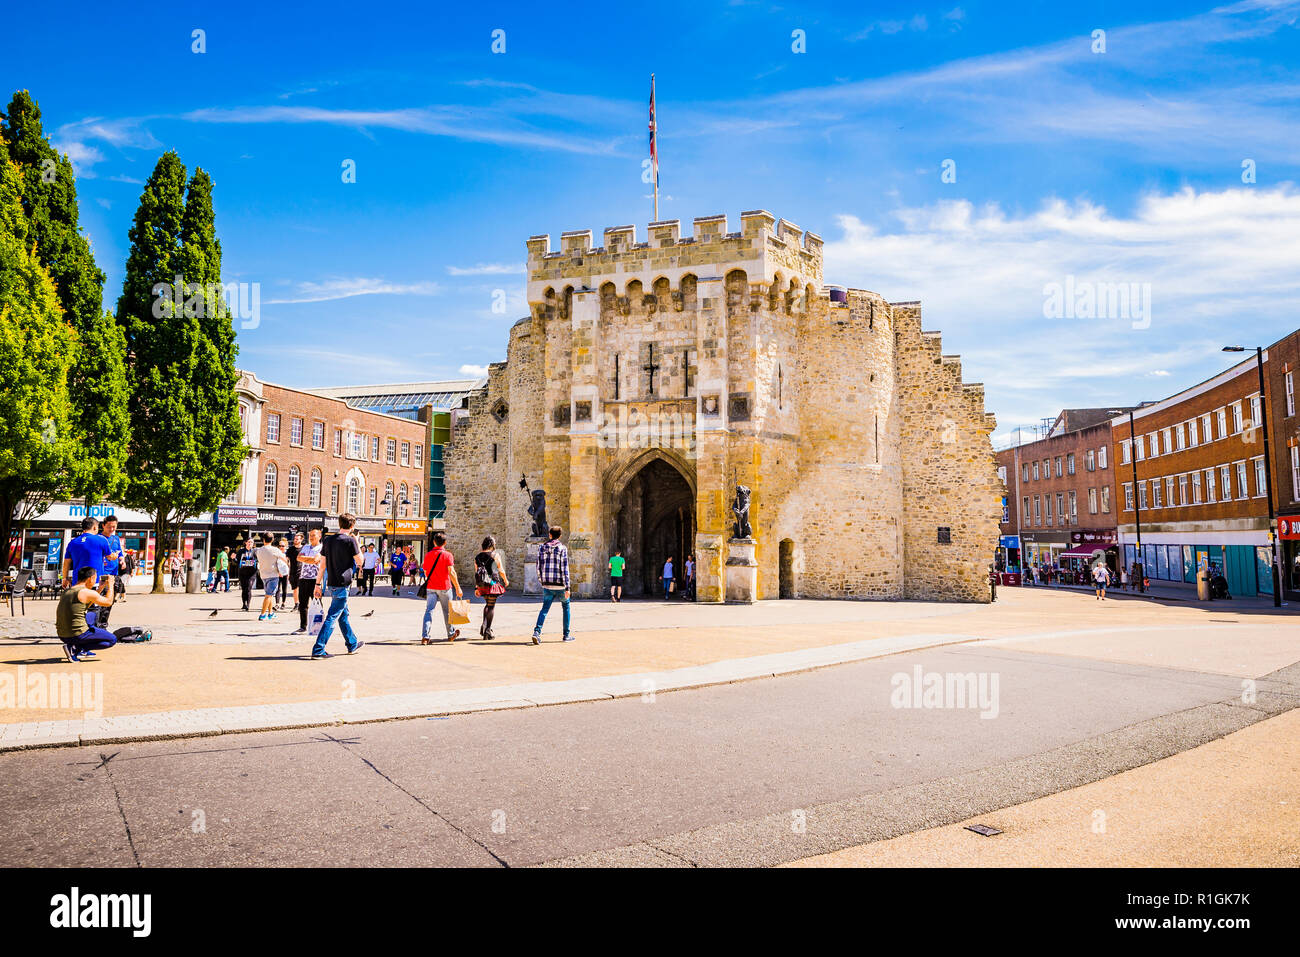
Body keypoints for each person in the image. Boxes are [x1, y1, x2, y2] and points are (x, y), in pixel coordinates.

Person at [311, 513, 364, 658]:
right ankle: (318, 649)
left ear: (339, 524)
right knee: (333, 616)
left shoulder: (328, 540)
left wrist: (317, 584)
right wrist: (357, 542)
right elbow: (360, 562)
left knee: (343, 615)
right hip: (343, 583)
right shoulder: (350, 540)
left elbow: (322, 565)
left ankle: (352, 643)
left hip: (331, 582)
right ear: (352, 526)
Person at [56, 566, 118, 662]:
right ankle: (76, 648)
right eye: (95, 578)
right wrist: (111, 585)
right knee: (112, 640)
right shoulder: (86, 592)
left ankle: (74, 645)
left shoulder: (68, 591)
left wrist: (100, 588)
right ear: (91, 578)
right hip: (77, 634)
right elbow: (108, 602)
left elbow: (85, 605)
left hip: (62, 634)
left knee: (92, 615)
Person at [532, 525, 572, 644]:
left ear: (550, 535)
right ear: (560, 536)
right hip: (560, 584)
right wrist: (568, 587)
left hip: (547, 584)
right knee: (566, 607)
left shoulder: (541, 548)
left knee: (544, 609)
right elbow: (565, 568)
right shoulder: (562, 548)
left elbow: (538, 566)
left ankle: (537, 632)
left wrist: (541, 580)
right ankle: (566, 635)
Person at [421, 531, 463, 643]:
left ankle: (425, 636)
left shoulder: (428, 555)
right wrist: (458, 587)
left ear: (434, 542)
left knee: (429, 611)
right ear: (445, 543)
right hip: (445, 586)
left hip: (431, 586)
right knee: (447, 611)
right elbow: (452, 572)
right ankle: (451, 634)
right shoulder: (448, 555)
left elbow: (425, 571)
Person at [61, 517, 115, 590]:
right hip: (95, 581)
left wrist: (64, 578)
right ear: (95, 527)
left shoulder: (72, 542)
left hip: (77, 582)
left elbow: (66, 564)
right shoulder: (101, 540)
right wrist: (115, 555)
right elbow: (110, 557)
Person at [474, 536, 509, 640]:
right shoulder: (495, 555)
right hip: (493, 583)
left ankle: (484, 627)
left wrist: (476, 587)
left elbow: (476, 573)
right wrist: (505, 580)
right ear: (492, 544)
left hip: (482, 584)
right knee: (491, 606)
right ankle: (488, 630)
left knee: (487, 605)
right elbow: (501, 570)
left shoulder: (478, 557)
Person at [293, 527, 323, 634]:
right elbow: (298, 558)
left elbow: (316, 559)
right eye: (310, 535)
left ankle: (318, 626)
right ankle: (303, 626)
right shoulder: (306, 546)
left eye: (313, 535)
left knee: (317, 603)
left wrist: (307, 559)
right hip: (303, 578)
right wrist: (310, 559)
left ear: (319, 536)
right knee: (303, 604)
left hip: (316, 579)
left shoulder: (321, 548)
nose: (311, 538)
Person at [254, 533, 287, 622]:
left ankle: (270, 613)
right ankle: (262, 614)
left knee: (270, 594)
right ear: (272, 540)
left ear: (263, 540)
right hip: (273, 575)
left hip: (263, 575)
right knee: (268, 595)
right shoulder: (275, 550)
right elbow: (284, 559)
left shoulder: (259, 550)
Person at [236, 538, 258, 611]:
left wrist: (256, 563)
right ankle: (244, 604)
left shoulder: (255, 551)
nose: (250, 543)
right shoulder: (241, 551)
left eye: (251, 542)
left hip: (252, 573)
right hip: (242, 572)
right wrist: (233, 559)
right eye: (249, 542)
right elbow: (237, 561)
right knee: (244, 588)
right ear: (245, 543)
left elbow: (258, 560)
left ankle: (248, 604)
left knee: (249, 588)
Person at [286, 533, 302, 611]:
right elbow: (287, 561)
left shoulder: (304, 549)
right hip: (292, 571)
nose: (295, 540)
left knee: (301, 589)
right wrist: (288, 572)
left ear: (301, 539)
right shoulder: (290, 549)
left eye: (297, 539)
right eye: (295, 539)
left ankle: (302, 604)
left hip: (302, 572)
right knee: (295, 589)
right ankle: (296, 604)